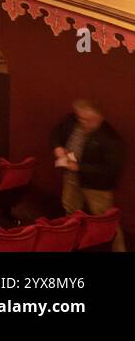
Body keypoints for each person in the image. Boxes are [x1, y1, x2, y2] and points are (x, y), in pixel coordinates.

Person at [50, 99, 126, 251]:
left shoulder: (111, 139)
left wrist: (79, 167)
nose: (83, 122)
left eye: (88, 120)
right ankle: (71, 243)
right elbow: (55, 133)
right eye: (81, 118)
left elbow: (111, 170)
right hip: (71, 179)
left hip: (96, 187)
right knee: (71, 212)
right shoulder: (72, 120)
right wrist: (57, 147)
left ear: (99, 118)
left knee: (106, 220)